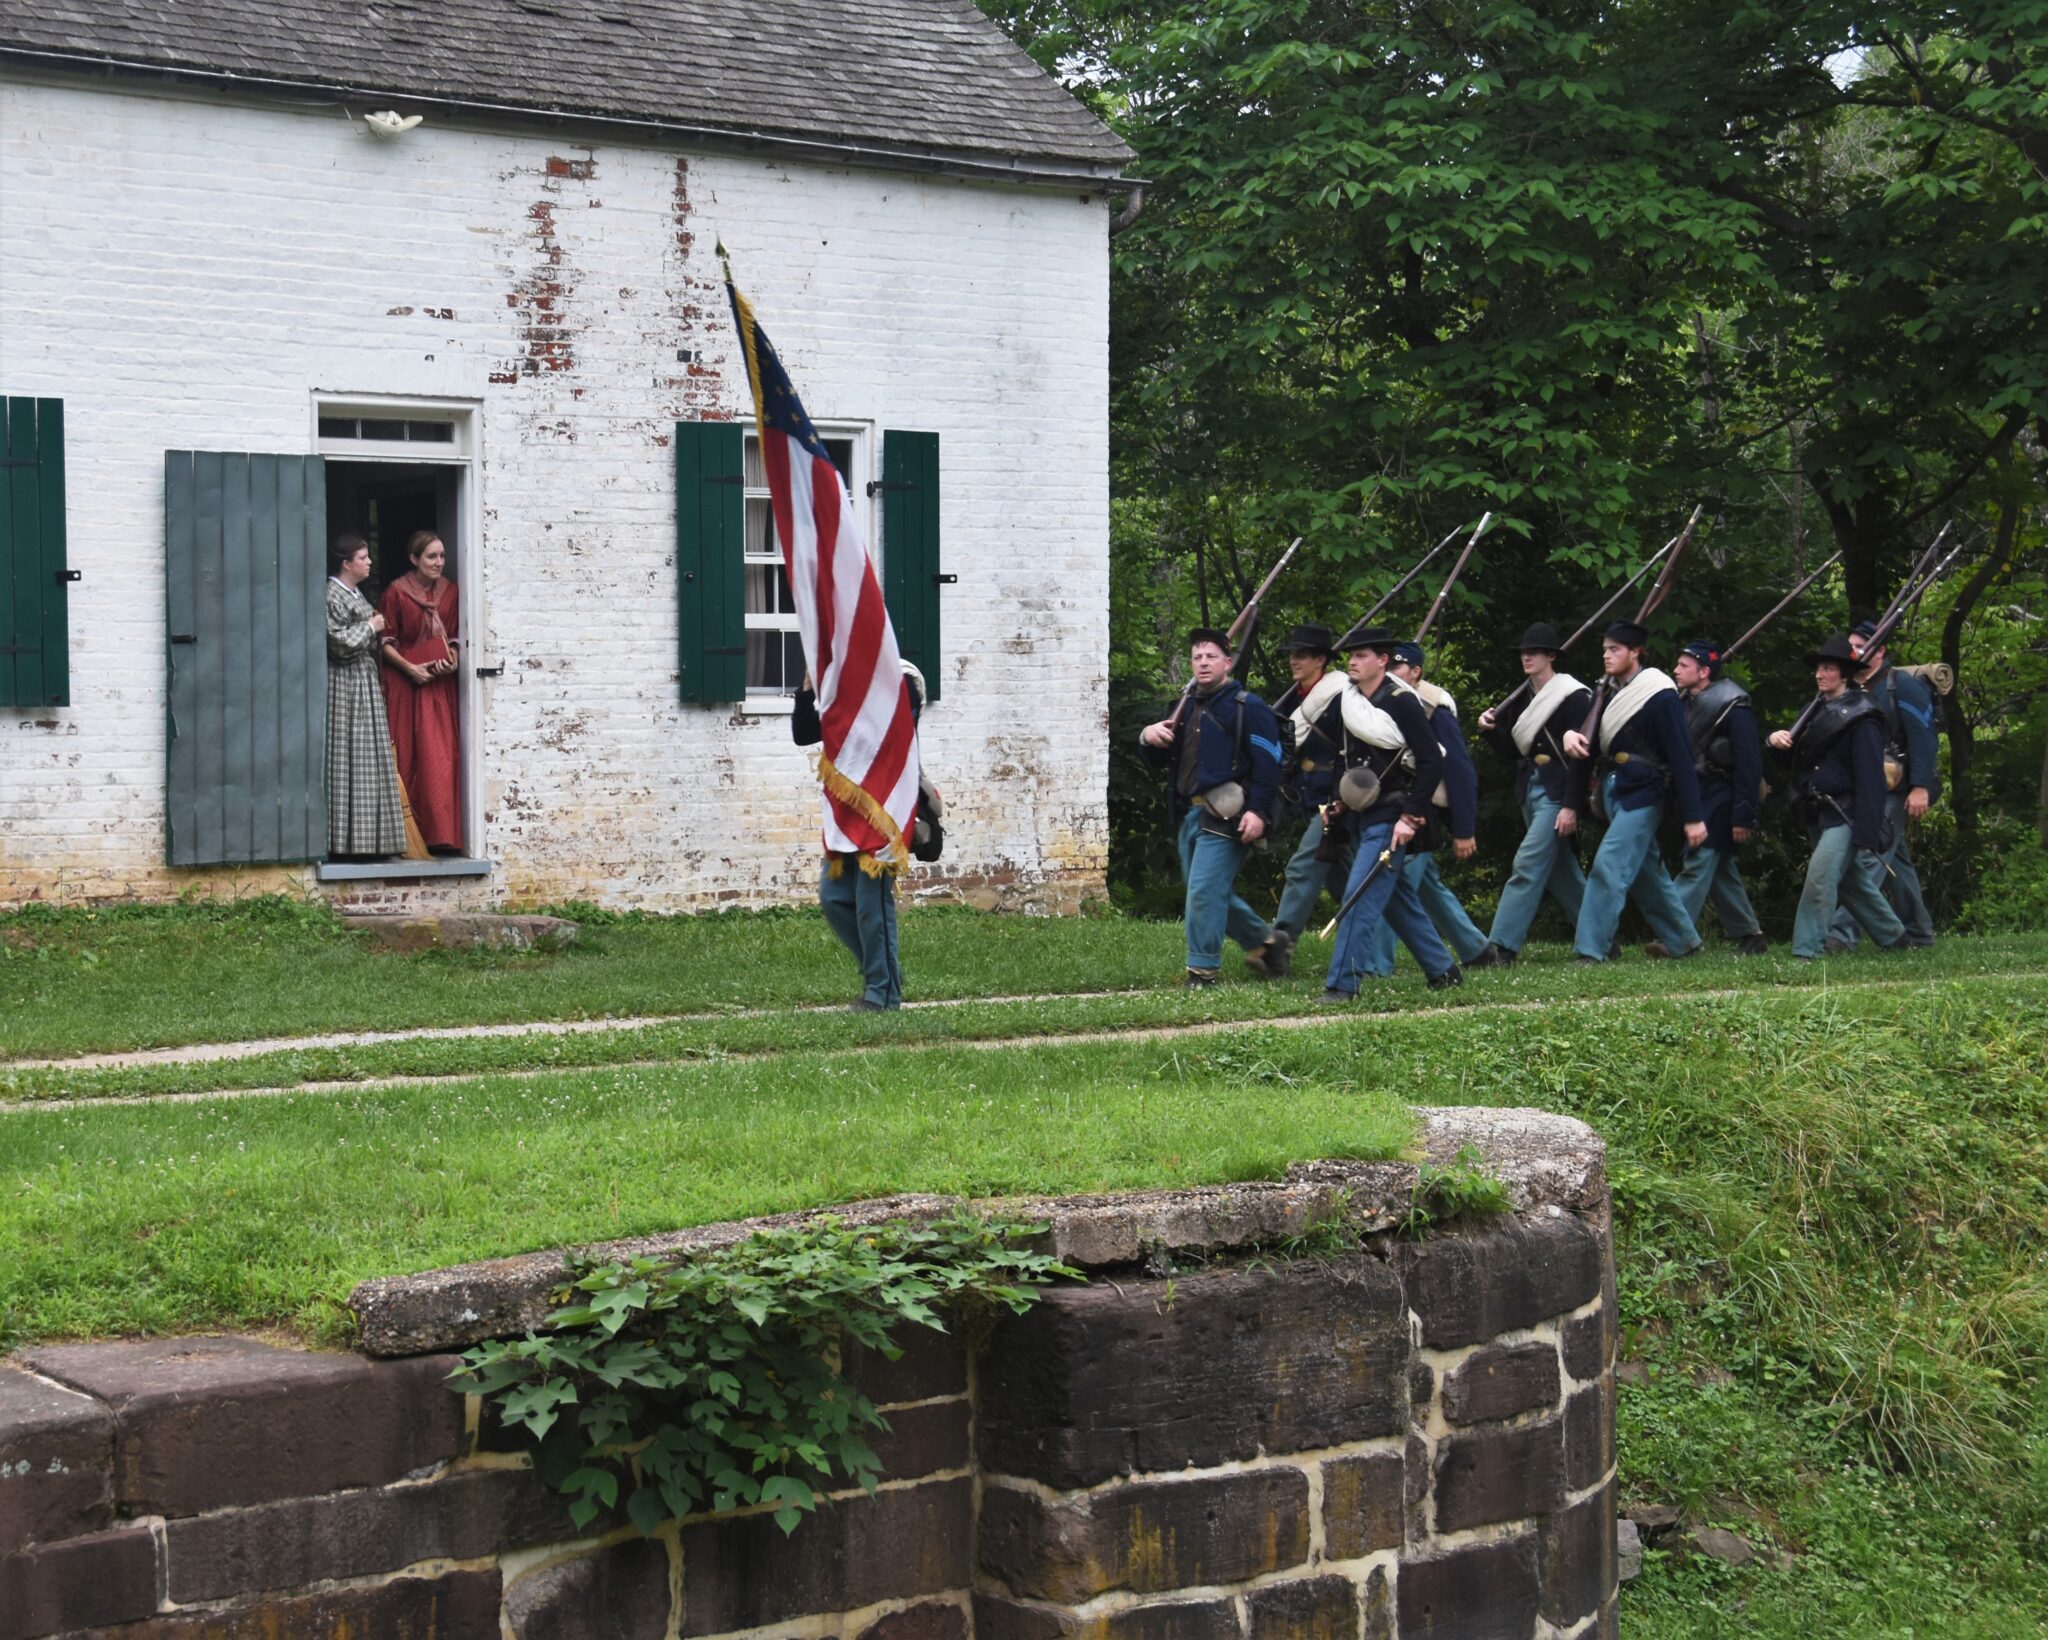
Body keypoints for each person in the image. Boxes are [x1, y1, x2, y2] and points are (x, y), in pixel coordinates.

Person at [1139, 628, 1288, 986]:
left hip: (1229, 814)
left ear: (1228, 661)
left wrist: (1257, 812)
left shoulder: (1248, 707)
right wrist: (1147, 737)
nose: (1203, 663)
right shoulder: (1184, 705)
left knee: (1203, 892)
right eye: (1197, 657)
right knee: (1203, 889)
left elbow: (1270, 766)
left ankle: (1202, 970)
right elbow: (1161, 762)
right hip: (1190, 814)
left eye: (1210, 656)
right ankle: (1266, 944)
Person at [1320, 625, 1462, 1000]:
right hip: (1363, 813)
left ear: (1382, 661)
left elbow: (1431, 760)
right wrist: (1336, 801)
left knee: (1359, 897)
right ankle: (1444, 971)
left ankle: (1341, 986)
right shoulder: (1348, 701)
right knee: (1398, 901)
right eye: (1350, 655)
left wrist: (1410, 816)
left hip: (1393, 814)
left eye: (1362, 654)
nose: (1352, 660)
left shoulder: (1402, 701)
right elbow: (1344, 760)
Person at [1562, 621, 1706, 963]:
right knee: (1646, 875)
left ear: (1635, 652)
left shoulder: (1659, 692)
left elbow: (1682, 758)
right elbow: (1587, 747)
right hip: (1613, 790)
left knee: (1608, 866)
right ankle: (1684, 942)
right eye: (1605, 650)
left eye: (1615, 650)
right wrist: (1571, 738)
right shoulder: (1605, 693)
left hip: (1646, 791)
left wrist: (1693, 815)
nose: (1607, 656)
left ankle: (1591, 950)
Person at [794, 663, 926, 1010]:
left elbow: (893, 732)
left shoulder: (904, 678)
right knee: (833, 897)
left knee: (871, 906)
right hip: (846, 813)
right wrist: (809, 688)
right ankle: (884, 971)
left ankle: (882, 995)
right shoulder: (838, 682)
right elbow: (804, 732)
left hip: (883, 810)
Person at [1768, 635, 1907, 960]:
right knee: (1852, 882)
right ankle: (1895, 937)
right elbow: (1793, 761)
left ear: (1843, 673)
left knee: (1820, 878)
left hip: (1847, 813)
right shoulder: (1813, 709)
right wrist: (1773, 742)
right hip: (1817, 810)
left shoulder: (1863, 716)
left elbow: (1872, 778)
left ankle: (1806, 951)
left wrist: (1867, 828)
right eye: (1818, 668)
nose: (1819, 674)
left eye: (1828, 668)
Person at [1468, 624, 1592, 968]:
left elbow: (1583, 757)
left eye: (1534, 652)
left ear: (1551, 656)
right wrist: (1490, 732)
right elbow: (1514, 751)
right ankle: (1600, 937)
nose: (1526, 656)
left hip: (1557, 791)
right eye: (1524, 652)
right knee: (1561, 873)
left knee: (1527, 864)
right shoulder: (1522, 698)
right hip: (1530, 789)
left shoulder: (1574, 697)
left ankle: (1502, 946)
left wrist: (1570, 806)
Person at [1370, 641, 1488, 968]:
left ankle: (1375, 964)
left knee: (1390, 881)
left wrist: (1464, 829)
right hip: (1399, 804)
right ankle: (1476, 949)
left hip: (1421, 811)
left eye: (1396, 667)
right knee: (1425, 886)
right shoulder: (1384, 701)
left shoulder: (1433, 706)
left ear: (1416, 672)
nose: (1389, 673)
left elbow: (1458, 770)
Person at [1828, 621, 1939, 949]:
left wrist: (1920, 787)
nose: (1853, 653)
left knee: (1871, 855)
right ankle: (1919, 933)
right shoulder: (1853, 690)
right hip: (1868, 788)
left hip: (1899, 787)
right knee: (1896, 863)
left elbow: (1923, 738)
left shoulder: (1900, 685)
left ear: (1879, 652)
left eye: (1859, 646)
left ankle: (1840, 935)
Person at [1670, 638, 1768, 954]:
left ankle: (1674, 935)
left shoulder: (1733, 705)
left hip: (1722, 795)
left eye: (1684, 665)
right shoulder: (1681, 702)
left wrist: (1743, 813)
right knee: (1720, 869)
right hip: (1699, 795)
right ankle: (1750, 934)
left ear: (1703, 671)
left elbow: (1748, 764)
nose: (1676, 669)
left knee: (1698, 861)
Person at [378, 530, 463, 853]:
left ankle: (441, 837)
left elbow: (454, 635)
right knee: (407, 757)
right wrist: (410, 668)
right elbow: (385, 641)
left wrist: (453, 661)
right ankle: (403, 840)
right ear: (414, 559)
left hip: (437, 686)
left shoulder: (451, 592)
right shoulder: (396, 593)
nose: (439, 562)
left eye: (442, 556)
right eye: (431, 556)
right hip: (404, 682)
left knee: (439, 758)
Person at [1270, 623, 1352, 948]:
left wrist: (1338, 798)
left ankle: (1279, 944)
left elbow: (1349, 752)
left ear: (1321, 661)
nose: (1294, 661)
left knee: (1302, 868)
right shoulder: (1297, 699)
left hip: (1335, 800)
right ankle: (1375, 943)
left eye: (1302, 655)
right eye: (1292, 655)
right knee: (1342, 881)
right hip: (1310, 797)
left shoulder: (1339, 696)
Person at [324, 535, 405, 860]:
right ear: (346, 563)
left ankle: (371, 840)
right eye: (363, 557)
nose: (369, 561)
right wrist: (371, 627)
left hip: (364, 680)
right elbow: (336, 642)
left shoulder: (355, 592)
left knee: (369, 757)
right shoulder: (331, 593)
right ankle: (345, 841)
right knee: (350, 754)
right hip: (347, 684)